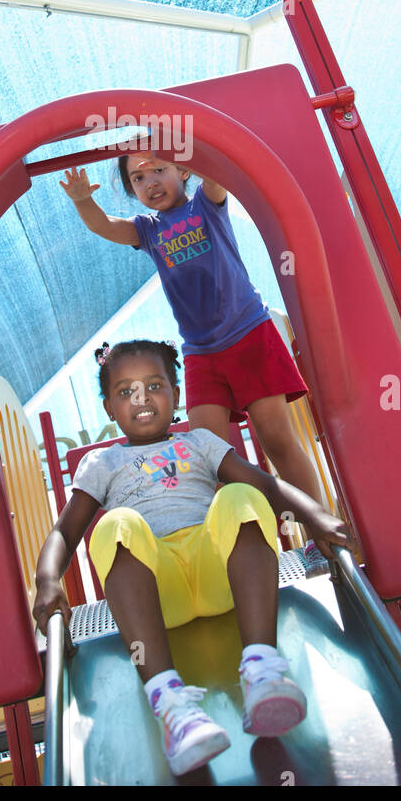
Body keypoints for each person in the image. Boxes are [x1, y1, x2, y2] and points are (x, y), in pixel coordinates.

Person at [32, 340, 355, 777]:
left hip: (220, 578)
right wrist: (47, 578)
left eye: (154, 385)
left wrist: (315, 516)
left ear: (176, 395)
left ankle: (261, 670)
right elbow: (65, 533)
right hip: (159, 597)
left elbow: (264, 484)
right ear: (109, 408)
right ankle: (171, 705)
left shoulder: (201, 442)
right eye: (126, 391)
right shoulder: (101, 464)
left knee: (239, 493)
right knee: (115, 526)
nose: (141, 399)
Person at [60, 153, 330, 574]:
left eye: (159, 169)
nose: (150, 182)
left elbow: (217, 172)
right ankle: (228, 555)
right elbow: (105, 226)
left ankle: (318, 539)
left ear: (182, 169)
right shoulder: (149, 231)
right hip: (202, 353)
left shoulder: (207, 202)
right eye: (138, 177)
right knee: (208, 456)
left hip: (248, 336)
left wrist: (187, 143)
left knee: (276, 440)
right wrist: (82, 202)